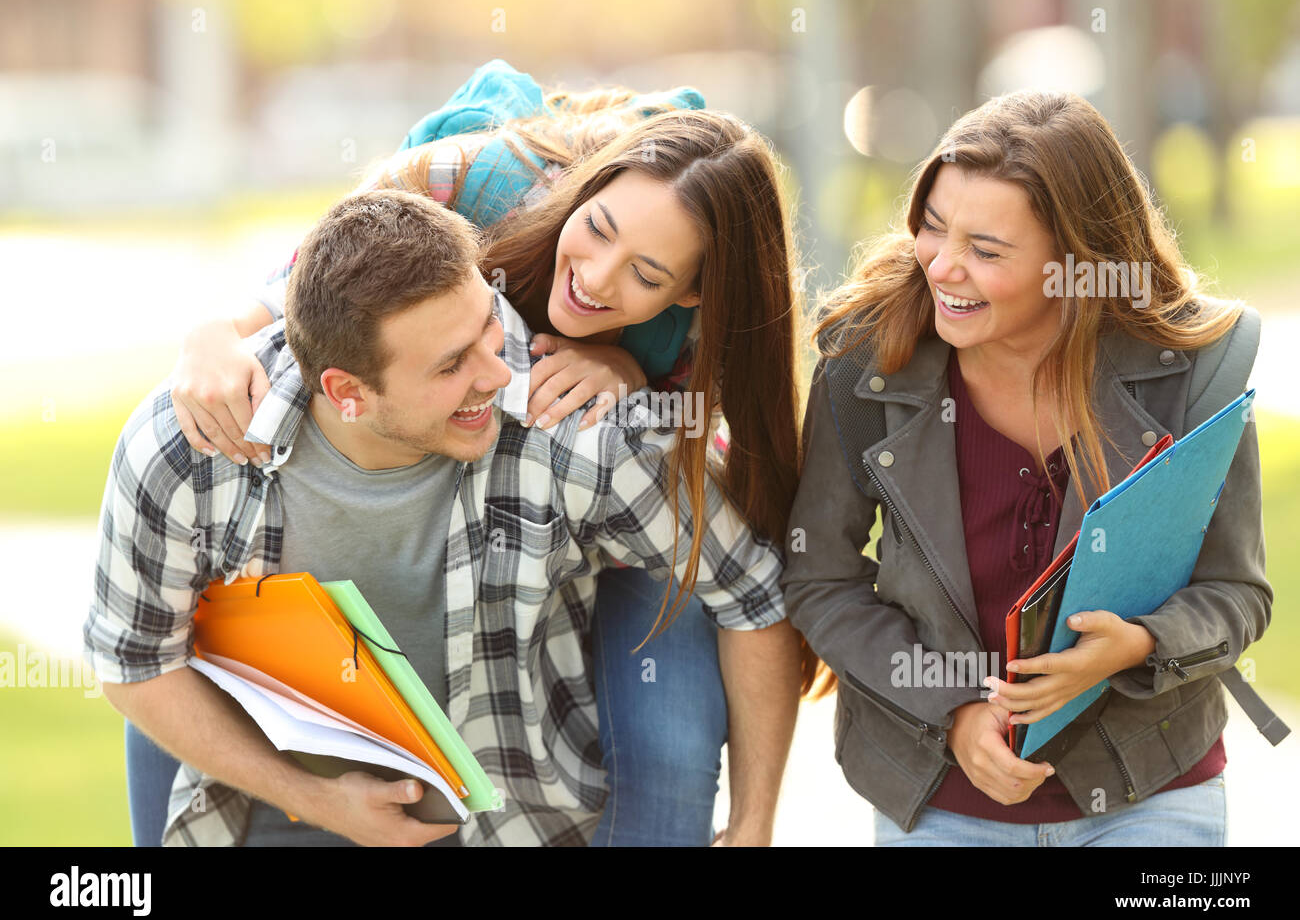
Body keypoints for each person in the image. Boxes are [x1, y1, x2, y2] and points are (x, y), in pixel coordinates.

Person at [140, 60, 816, 847]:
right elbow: (317, 285)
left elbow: (744, 573)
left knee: (667, 752)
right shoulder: (464, 180)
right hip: (472, 454)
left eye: (646, 275)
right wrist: (209, 334)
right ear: (589, 188)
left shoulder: (682, 357)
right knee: (189, 659)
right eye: (598, 230)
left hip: (617, 532)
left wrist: (631, 371)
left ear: (693, 294)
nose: (595, 278)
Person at [783, 90, 1271, 846]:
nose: (944, 266)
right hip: (937, 801)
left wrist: (1139, 644)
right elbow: (821, 579)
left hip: (1151, 790)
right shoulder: (864, 367)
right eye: (934, 227)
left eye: (987, 250)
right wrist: (953, 709)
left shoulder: (1194, 371)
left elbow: (1237, 592)